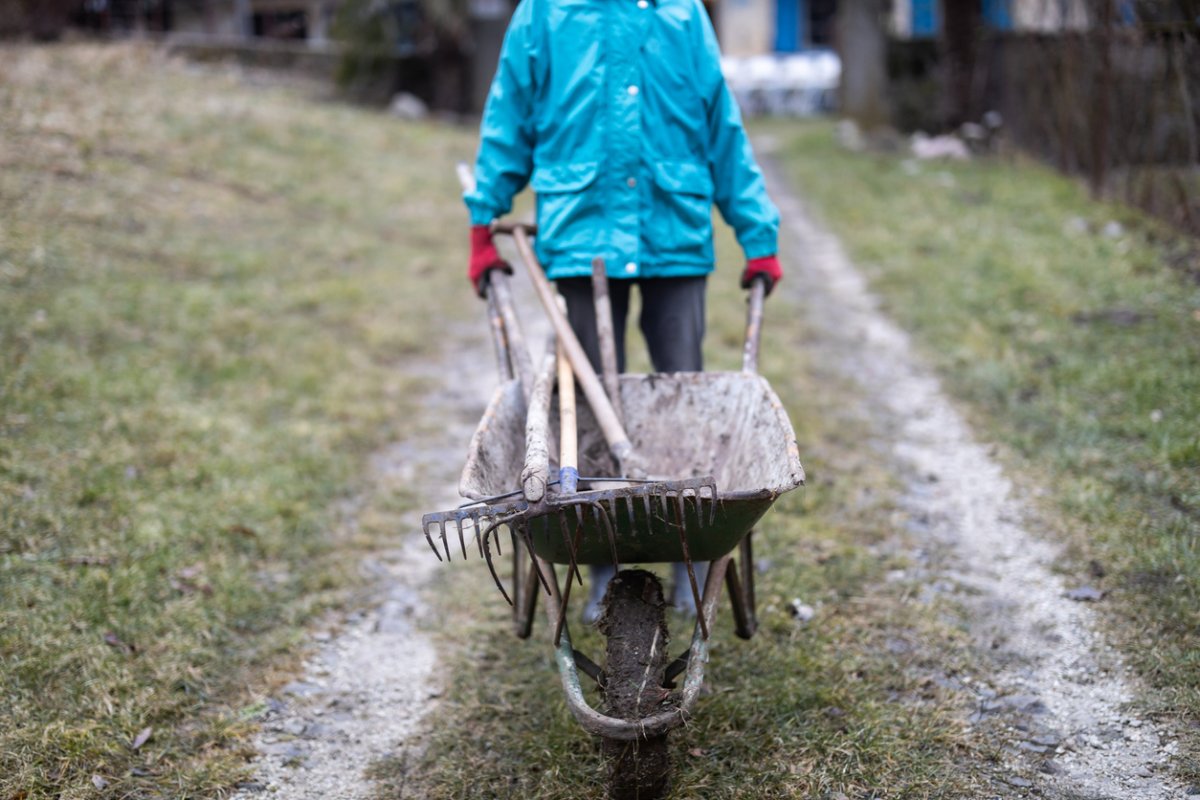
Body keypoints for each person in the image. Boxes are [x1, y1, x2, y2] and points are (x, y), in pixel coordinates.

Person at [464, 0, 782, 623]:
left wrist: (758, 233)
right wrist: (485, 217)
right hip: (583, 234)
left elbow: (721, 125)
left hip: (674, 231)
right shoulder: (546, 15)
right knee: (583, 400)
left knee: (682, 394)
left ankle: (688, 549)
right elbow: (510, 114)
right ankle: (601, 552)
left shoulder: (682, 14)